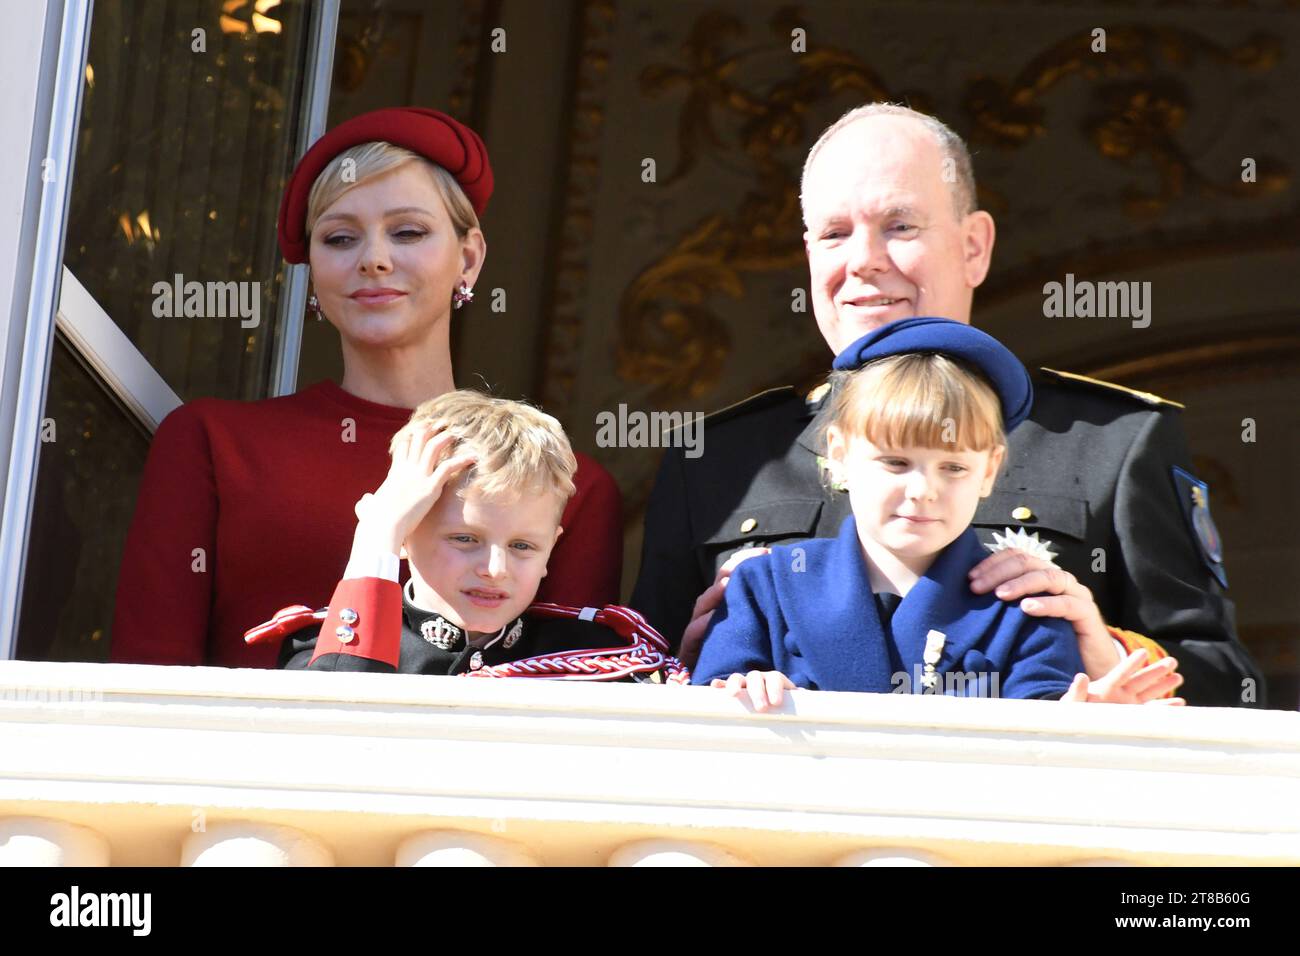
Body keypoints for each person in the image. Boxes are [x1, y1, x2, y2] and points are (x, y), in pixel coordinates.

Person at [633, 103, 1264, 707]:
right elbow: (619, 686)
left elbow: (1230, 690)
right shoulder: (716, 458)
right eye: (834, 234)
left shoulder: (1111, 442)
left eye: (900, 226)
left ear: (973, 246)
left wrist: (1099, 649)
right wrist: (685, 671)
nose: (863, 262)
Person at [113, 108, 622, 669]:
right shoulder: (214, 442)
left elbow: (567, 705)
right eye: (339, 238)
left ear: (469, 258)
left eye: (407, 232)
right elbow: (148, 676)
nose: (374, 260)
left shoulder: (569, 482)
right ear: (313, 267)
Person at [693, 317, 1184, 710]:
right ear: (838, 454)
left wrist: (1090, 726)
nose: (924, 489)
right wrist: (742, 697)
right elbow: (697, 724)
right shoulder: (764, 587)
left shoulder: (1025, 609)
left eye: (953, 467)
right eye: (896, 462)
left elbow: (1043, 744)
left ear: (990, 469)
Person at [246, 390, 685, 682]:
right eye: (465, 539)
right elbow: (335, 731)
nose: (495, 569)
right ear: (404, 533)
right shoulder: (321, 645)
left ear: (552, 546)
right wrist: (375, 537)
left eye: (522, 546)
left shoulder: (597, 657)